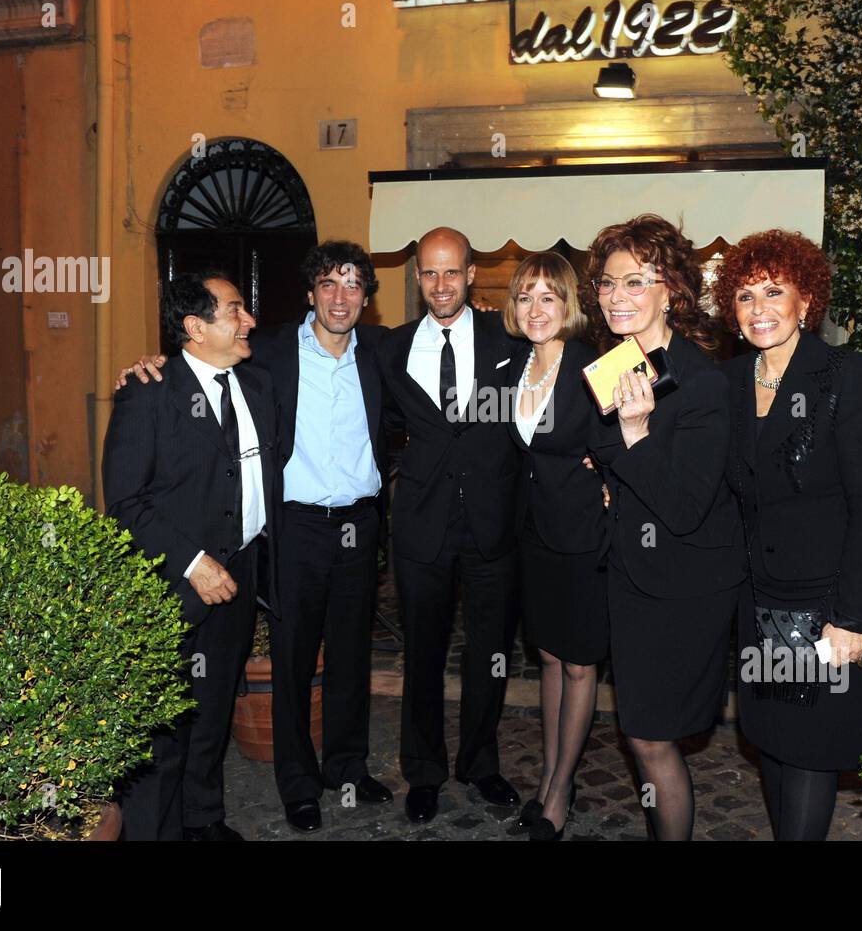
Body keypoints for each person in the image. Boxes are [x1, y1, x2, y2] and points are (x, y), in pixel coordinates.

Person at [115, 242, 395, 835]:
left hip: (353, 527)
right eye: (328, 284)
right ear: (311, 292)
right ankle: (293, 786)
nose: (340, 298)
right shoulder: (265, 356)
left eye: (353, 286)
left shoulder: (380, 353)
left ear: (367, 298)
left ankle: (341, 771)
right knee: (276, 667)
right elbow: (131, 493)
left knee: (344, 658)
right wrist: (148, 368)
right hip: (288, 533)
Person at [713, 229, 862, 841]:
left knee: (812, 754)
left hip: (823, 609)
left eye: (773, 291)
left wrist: (854, 615)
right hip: (756, 602)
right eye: (744, 296)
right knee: (771, 744)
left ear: (805, 299)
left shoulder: (845, 374)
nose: (759, 308)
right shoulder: (731, 382)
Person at [583, 214, 745, 841]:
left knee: (650, 737)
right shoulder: (619, 364)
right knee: (640, 733)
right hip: (632, 574)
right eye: (605, 283)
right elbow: (605, 453)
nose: (616, 295)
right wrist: (609, 470)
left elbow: (682, 507)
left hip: (684, 586)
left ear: (672, 290)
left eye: (634, 282)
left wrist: (633, 435)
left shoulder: (702, 381)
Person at [103, 269, 279, 841]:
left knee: (211, 713)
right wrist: (194, 562)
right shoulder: (147, 392)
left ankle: (204, 820)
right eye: (234, 310)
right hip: (172, 585)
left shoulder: (259, 386)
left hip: (240, 575)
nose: (248, 319)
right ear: (195, 327)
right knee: (163, 729)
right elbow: (125, 502)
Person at [378, 226, 523, 824]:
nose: (441, 284)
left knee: (491, 653)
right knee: (424, 654)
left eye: (451, 272)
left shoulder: (510, 336)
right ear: (418, 279)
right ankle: (424, 771)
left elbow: (571, 363)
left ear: (470, 275)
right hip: (421, 524)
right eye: (428, 273)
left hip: (494, 523)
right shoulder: (388, 349)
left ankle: (481, 765)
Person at [500, 252, 607, 842]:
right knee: (546, 658)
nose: (535, 308)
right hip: (534, 535)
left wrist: (613, 480)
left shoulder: (599, 364)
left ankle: (561, 791)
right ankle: (547, 778)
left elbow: (646, 430)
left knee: (580, 662)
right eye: (524, 296)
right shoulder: (513, 363)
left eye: (548, 296)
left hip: (586, 536)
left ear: (568, 305)